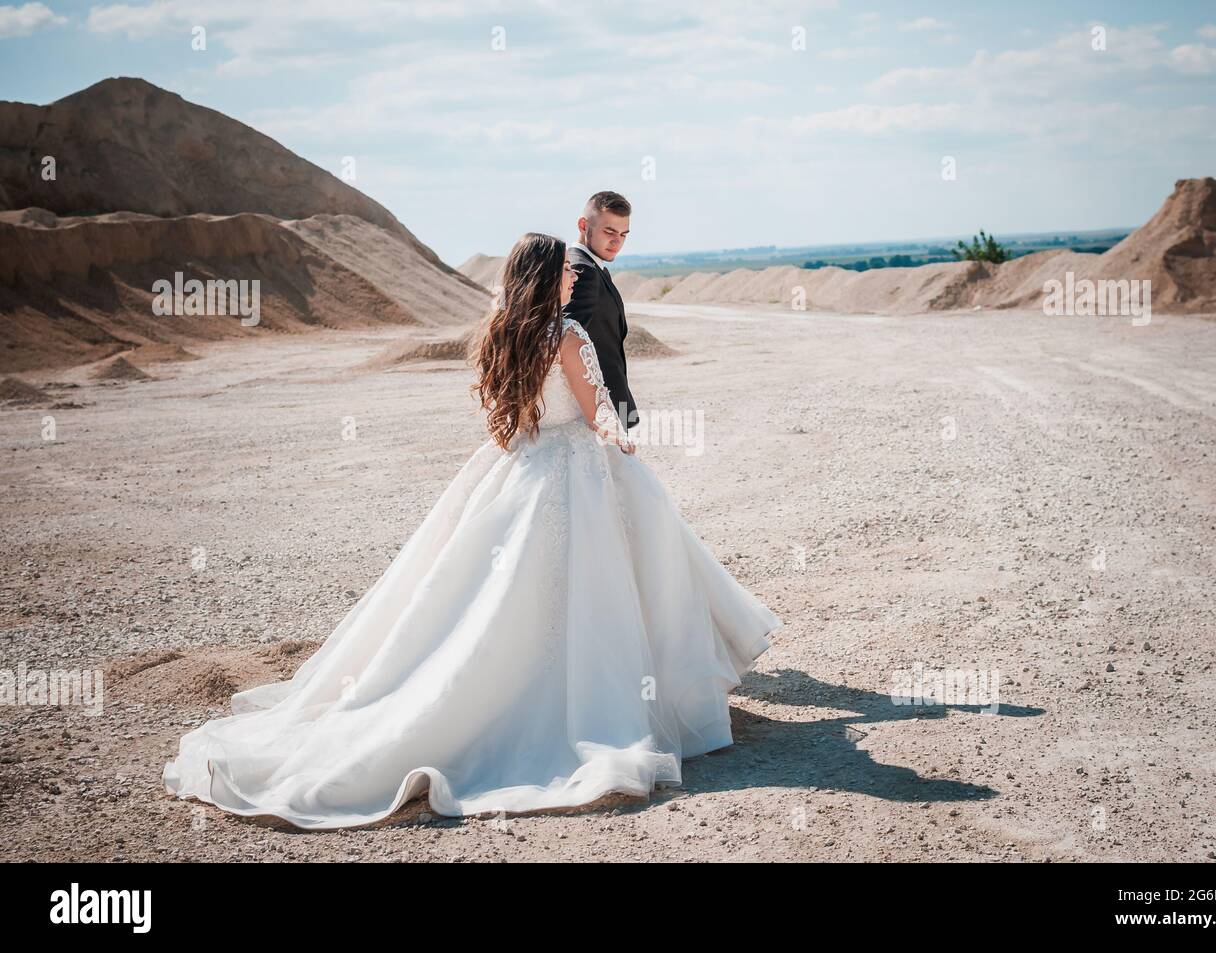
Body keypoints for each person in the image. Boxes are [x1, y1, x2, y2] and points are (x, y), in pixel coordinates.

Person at [161, 231, 782, 830]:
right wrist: (626, 445)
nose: (574, 276)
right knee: (612, 574)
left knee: (490, 596)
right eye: (566, 269)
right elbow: (598, 416)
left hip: (517, 465)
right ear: (545, 276)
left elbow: (509, 417)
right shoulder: (567, 335)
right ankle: (604, 712)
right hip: (572, 471)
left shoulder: (501, 332)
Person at [563, 190, 637, 430]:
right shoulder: (582, 273)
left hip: (607, 402)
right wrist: (600, 417)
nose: (617, 242)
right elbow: (564, 342)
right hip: (594, 409)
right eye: (609, 232)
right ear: (584, 225)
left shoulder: (595, 268)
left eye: (623, 234)